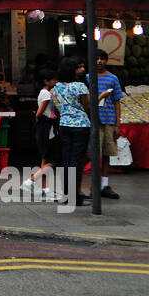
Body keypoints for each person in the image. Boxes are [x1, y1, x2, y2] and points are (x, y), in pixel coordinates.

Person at [52, 57, 92, 205]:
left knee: (66, 159)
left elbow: (57, 107)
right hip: (81, 124)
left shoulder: (56, 88)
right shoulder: (80, 86)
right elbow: (87, 107)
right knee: (77, 160)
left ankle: (67, 193)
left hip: (64, 123)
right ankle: (75, 195)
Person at [85, 50, 124, 200]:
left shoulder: (113, 79)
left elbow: (117, 102)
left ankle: (104, 185)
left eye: (102, 59)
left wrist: (117, 124)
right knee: (94, 153)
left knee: (107, 153)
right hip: (94, 121)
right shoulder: (88, 78)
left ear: (106, 61)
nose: (99, 61)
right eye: (97, 59)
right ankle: (95, 185)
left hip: (108, 120)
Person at [22, 69, 58, 198]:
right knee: (53, 160)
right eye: (53, 79)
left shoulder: (44, 93)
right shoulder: (47, 95)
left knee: (45, 158)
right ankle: (31, 180)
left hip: (44, 127)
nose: (56, 81)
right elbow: (39, 113)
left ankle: (45, 188)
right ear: (46, 81)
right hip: (46, 128)